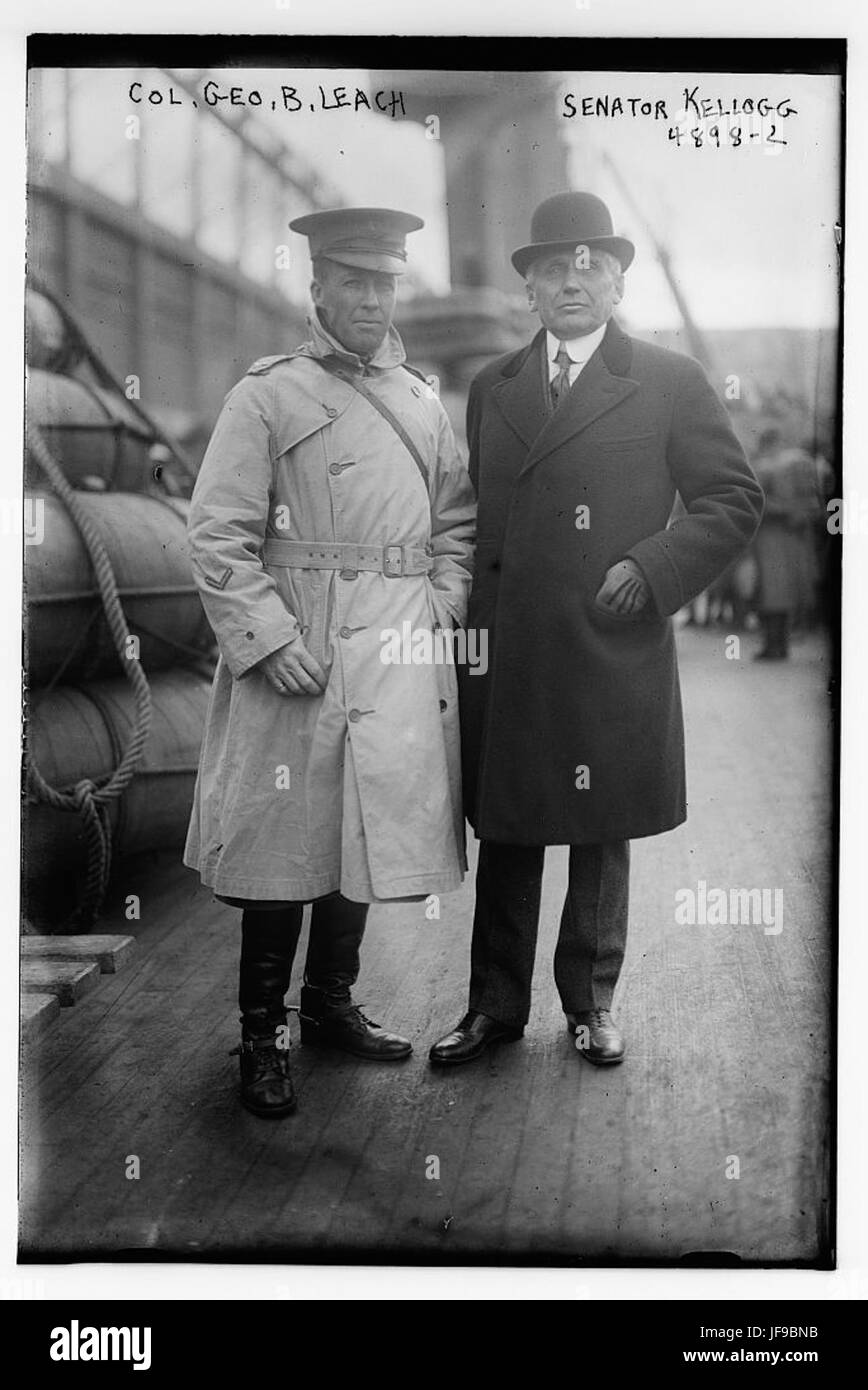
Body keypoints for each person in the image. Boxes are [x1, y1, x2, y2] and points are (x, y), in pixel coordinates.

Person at [429, 191, 764, 1069]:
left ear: (616, 284)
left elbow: (733, 499)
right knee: (506, 828)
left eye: (590, 266)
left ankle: (592, 1004)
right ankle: (494, 1009)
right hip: (508, 648)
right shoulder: (493, 386)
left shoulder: (668, 379)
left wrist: (651, 569)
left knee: (597, 827)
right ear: (529, 292)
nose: (571, 280)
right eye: (551, 268)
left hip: (606, 638)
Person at [184, 207, 476, 1116]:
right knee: (284, 844)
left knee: (363, 833)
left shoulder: (423, 401)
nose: (370, 299)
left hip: (392, 646)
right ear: (316, 289)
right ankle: (261, 1033)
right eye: (352, 282)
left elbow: (456, 526)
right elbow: (217, 536)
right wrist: (268, 641)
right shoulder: (265, 395)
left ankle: (329, 1003)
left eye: (384, 283)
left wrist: (438, 610)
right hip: (297, 645)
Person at [751, 427, 828, 658]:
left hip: (769, 537)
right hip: (794, 537)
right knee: (781, 593)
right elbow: (816, 504)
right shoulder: (799, 462)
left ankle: (773, 646)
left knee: (769, 592)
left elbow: (756, 502)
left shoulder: (765, 466)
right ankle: (780, 646)